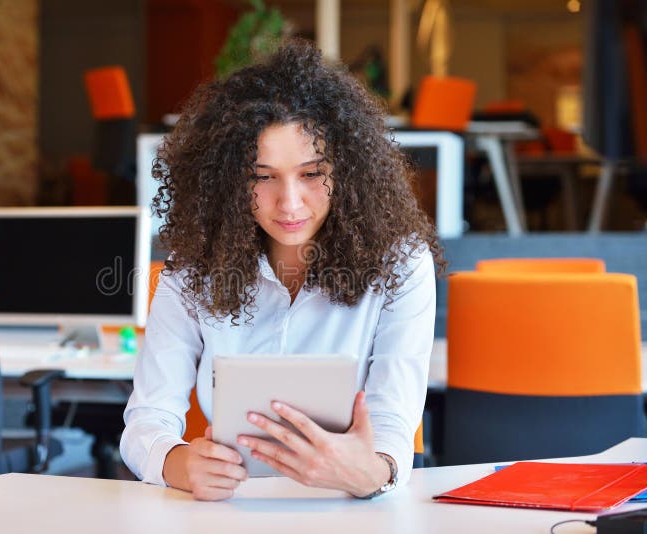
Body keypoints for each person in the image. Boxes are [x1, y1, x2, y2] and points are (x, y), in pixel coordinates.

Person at [120, 39, 443, 501]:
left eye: (312, 174)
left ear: (347, 171)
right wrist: (177, 463)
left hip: (351, 511)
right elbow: (147, 419)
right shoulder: (193, 270)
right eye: (262, 176)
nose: (289, 203)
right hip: (225, 512)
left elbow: (392, 421)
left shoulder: (401, 264)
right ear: (230, 180)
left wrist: (373, 472)